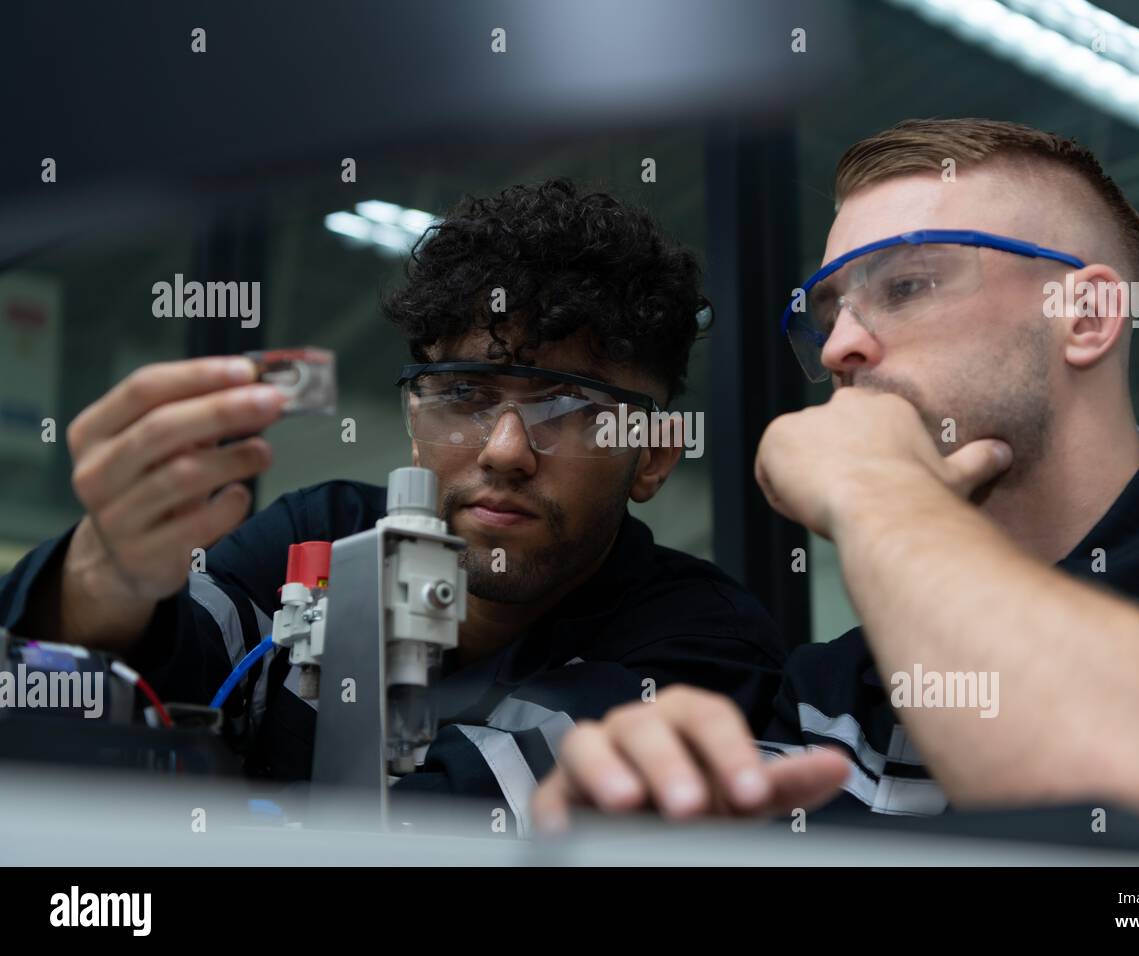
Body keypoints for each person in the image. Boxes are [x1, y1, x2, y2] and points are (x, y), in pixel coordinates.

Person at [530, 120, 1139, 854]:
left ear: (1088, 313)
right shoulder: (830, 696)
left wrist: (877, 490)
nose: (840, 347)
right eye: (827, 314)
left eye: (906, 286)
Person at [0, 178, 785, 836]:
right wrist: (104, 574)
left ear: (650, 455)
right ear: (416, 424)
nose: (505, 450)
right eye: (465, 395)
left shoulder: (701, 647)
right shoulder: (322, 532)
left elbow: (442, 834)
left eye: (568, 407)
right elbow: (124, 672)